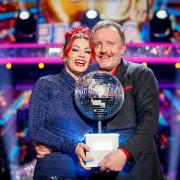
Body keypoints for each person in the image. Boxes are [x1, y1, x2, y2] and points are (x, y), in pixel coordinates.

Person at [35, 20, 164, 180]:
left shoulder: (140, 74)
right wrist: (52, 145)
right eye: (98, 44)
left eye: (110, 43)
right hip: (97, 171)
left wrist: (124, 152)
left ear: (122, 47)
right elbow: (66, 122)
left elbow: (149, 120)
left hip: (136, 169)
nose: (104, 50)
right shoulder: (83, 81)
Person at [28, 25, 96, 179]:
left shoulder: (93, 92)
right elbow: (35, 129)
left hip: (86, 170)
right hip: (55, 169)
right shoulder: (46, 84)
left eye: (87, 52)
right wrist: (73, 146)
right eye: (75, 50)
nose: (81, 55)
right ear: (64, 54)